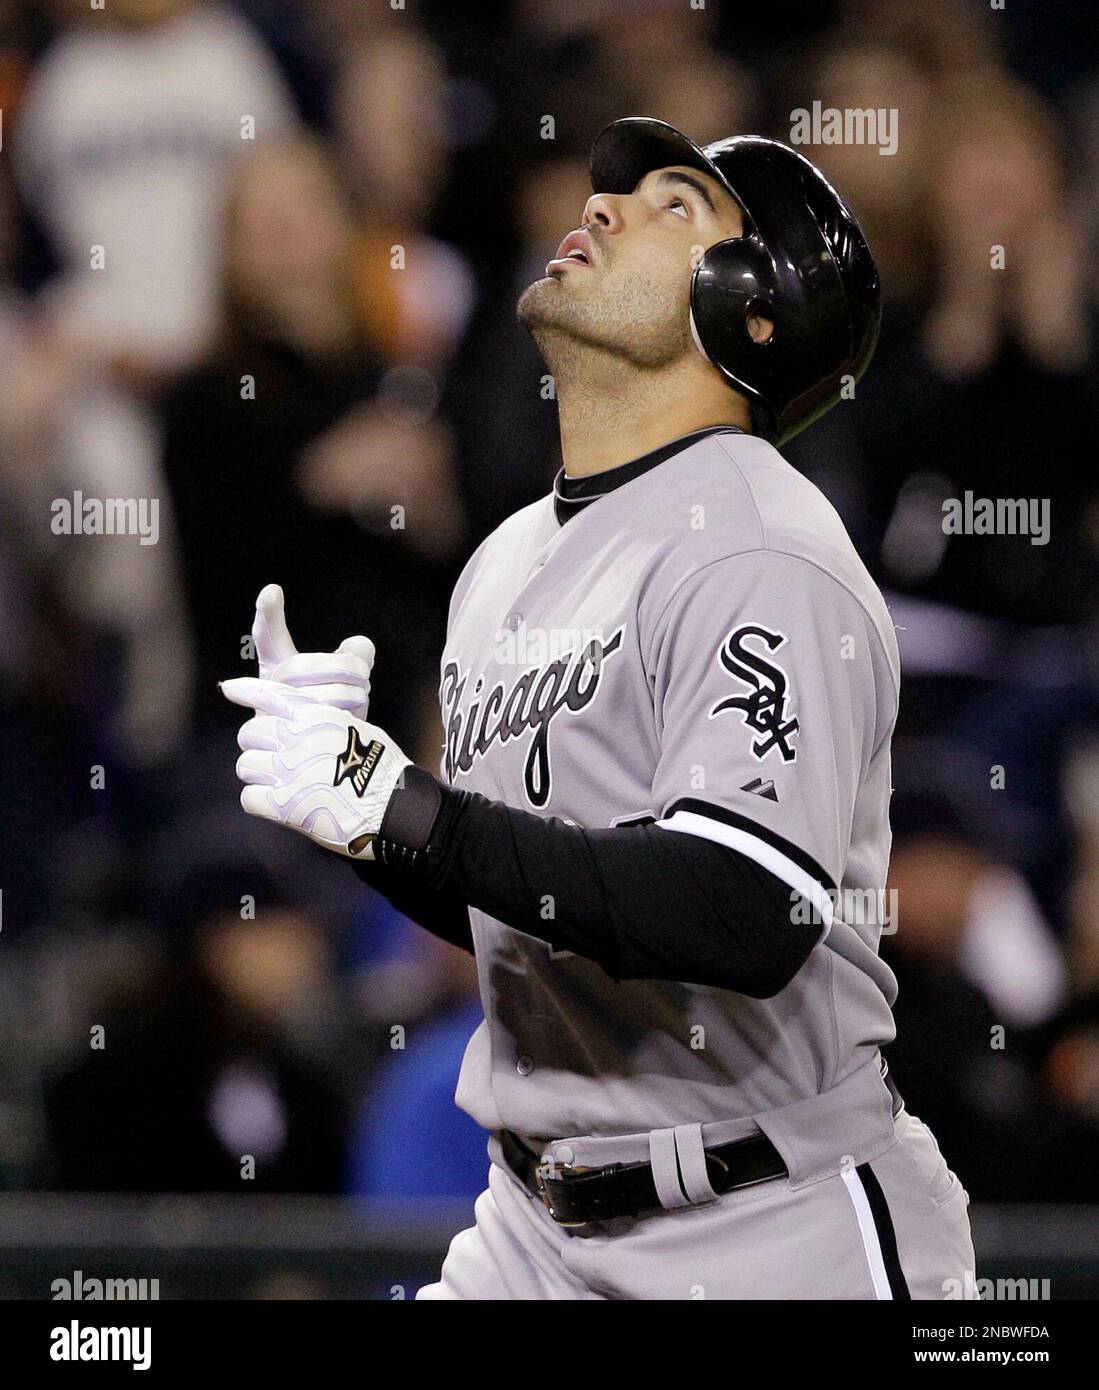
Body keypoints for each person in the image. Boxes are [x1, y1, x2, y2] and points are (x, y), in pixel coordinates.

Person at [219, 117, 975, 1299]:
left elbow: (741, 909)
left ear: (757, 311)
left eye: (677, 205)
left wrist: (407, 809)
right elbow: (529, 896)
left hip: (764, 1222)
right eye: (616, 189)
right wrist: (361, 801)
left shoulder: (759, 538)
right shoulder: (507, 560)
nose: (607, 203)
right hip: (532, 1219)